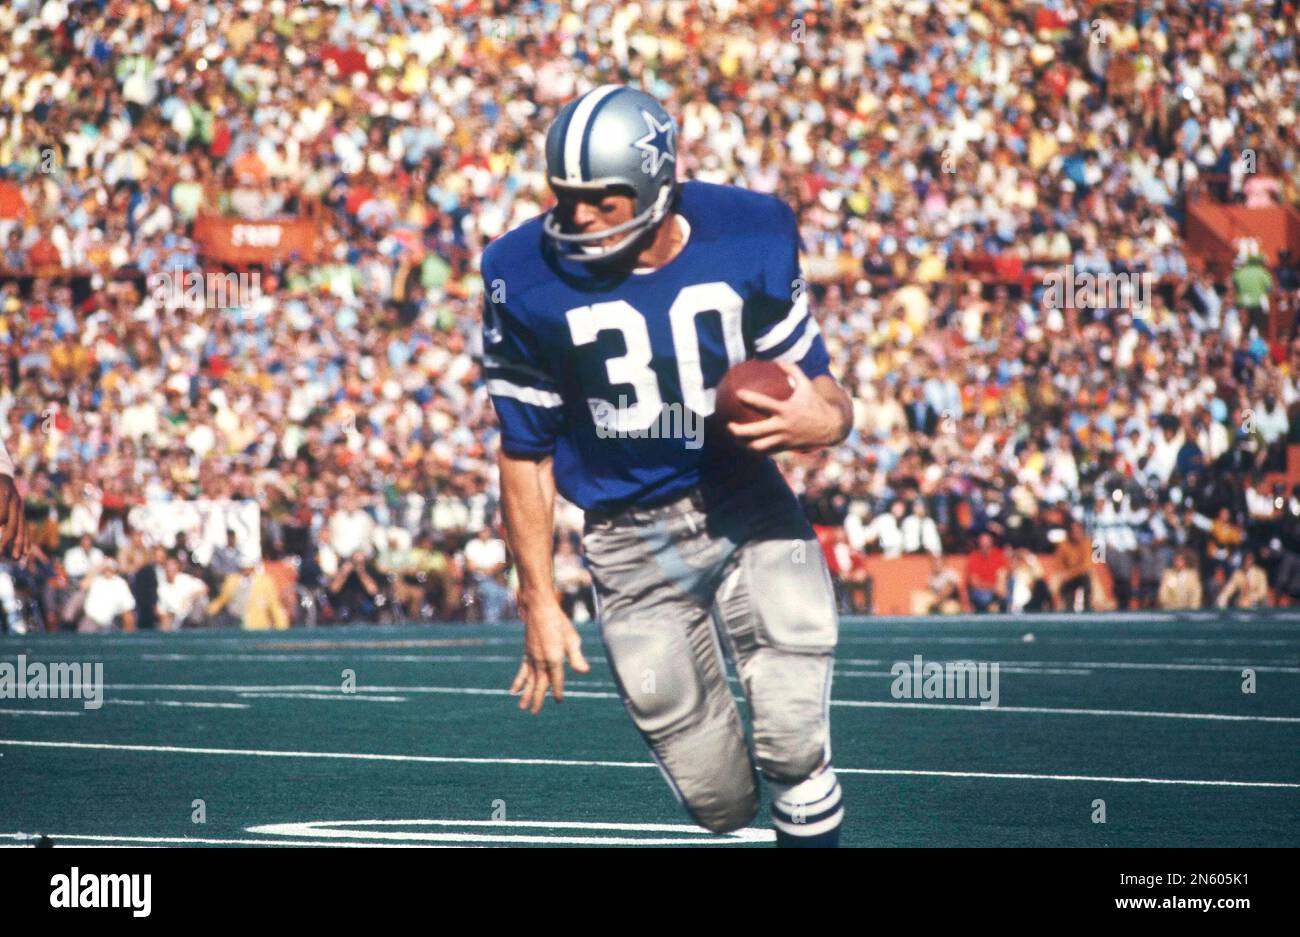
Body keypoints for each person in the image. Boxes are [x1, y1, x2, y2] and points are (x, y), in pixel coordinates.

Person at [484, 86, 853, 846]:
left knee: (792, 740)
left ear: (655, 183)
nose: (577, 215)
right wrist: (540, 600)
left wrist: (829, 419)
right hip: (627, 537)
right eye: (566, 196)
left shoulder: (749, 231)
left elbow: (818, 386)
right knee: (716, 801)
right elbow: (524, 451)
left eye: (600, 198)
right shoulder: (520, 273)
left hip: (745, 503)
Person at [966, 532, 1009, 613]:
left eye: (987, 543)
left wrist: (1001, 585)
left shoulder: (999, 555)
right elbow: (974, 583)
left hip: (998, 589)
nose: (985, 545)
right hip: (982, 590)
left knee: (1011, 582)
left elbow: (1003, 573)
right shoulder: (973, 557)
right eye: (982, 543)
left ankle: (1010, 610)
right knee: (985, 597)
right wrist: (994, 587)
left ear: (991, 543)